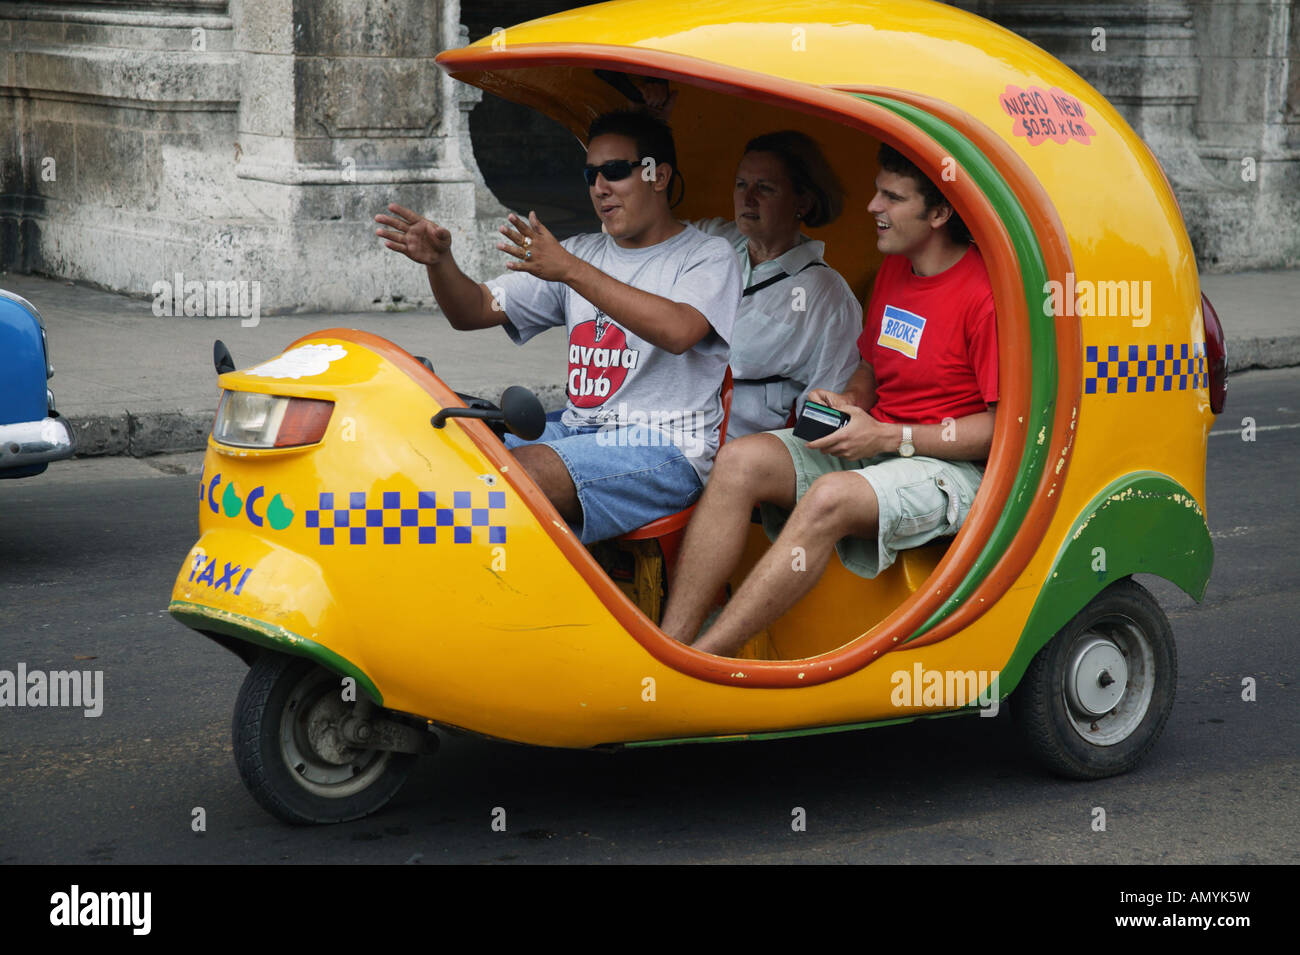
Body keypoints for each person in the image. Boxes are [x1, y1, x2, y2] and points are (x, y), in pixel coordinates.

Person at [659, 143, 999, 658]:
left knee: (829, 497)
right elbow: (870, 364)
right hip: (882, 441)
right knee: (738, 461)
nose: (872, 207)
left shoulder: (984, 294)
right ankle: (669, 645)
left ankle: (706, 662)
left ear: (938, 212)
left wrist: (889, 435)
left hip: (951, 468)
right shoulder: (896, 270)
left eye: (892, 197)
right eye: (876, 192)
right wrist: (847, 400)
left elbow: (1002, 427)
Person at [375, 110, 740, 544]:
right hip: (577, 429)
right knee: (446, 454)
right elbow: (472, 309)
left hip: (667, 446)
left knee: (515, 478)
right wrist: (440, 264)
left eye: (616, 172)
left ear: (658, 176)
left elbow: (679, 331)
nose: (600, 188)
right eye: (591, 175)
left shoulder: (707, 255)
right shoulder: (579, 253)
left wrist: (571, 270)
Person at [692, 131, 862, 439]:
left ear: (803, 202)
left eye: (765, 188)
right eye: (741, 184)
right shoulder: (716, 240)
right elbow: (646, 234)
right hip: (666, 421)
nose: (748, 198)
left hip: (736, 449)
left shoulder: (829, 297)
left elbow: (827, 409)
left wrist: (776, 473)